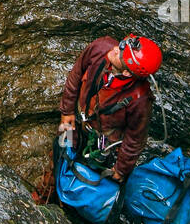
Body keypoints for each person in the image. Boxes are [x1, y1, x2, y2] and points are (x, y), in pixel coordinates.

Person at [58, 34, 163, 183]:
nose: (115, 49)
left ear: (127, 72)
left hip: (103, 143)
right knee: (61, 151)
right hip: (73, 120)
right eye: (121, 46)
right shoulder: (100, 48)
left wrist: (121, 169)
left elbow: (135, 138)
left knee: (93, 173)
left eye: (120, 54)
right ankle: (48, 189)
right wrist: (67, 110)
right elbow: (76, 74)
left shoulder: (140, 99)